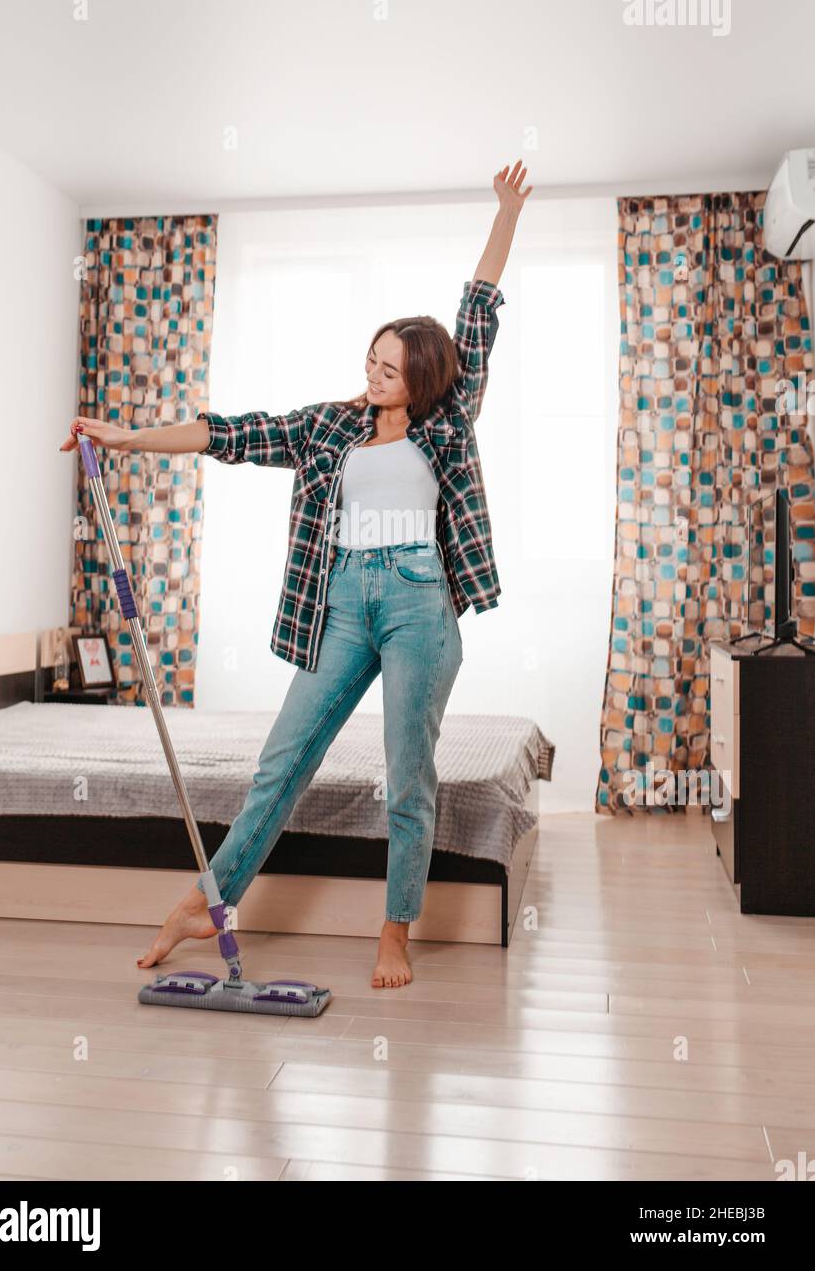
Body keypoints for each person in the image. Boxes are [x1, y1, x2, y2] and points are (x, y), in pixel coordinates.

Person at [61, 160, 532, 987]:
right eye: (372, 360)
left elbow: (479, 309)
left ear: (422, 377)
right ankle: (207, 904)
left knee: (408, 773)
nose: (374, 374)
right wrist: (130, 438)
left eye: (390, 367)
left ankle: (395, 932)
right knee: (283, 762)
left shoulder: (450, 424)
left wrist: (505, 214)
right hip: (341, 601)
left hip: (421, 603)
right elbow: (228, 434)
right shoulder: (327, 427)